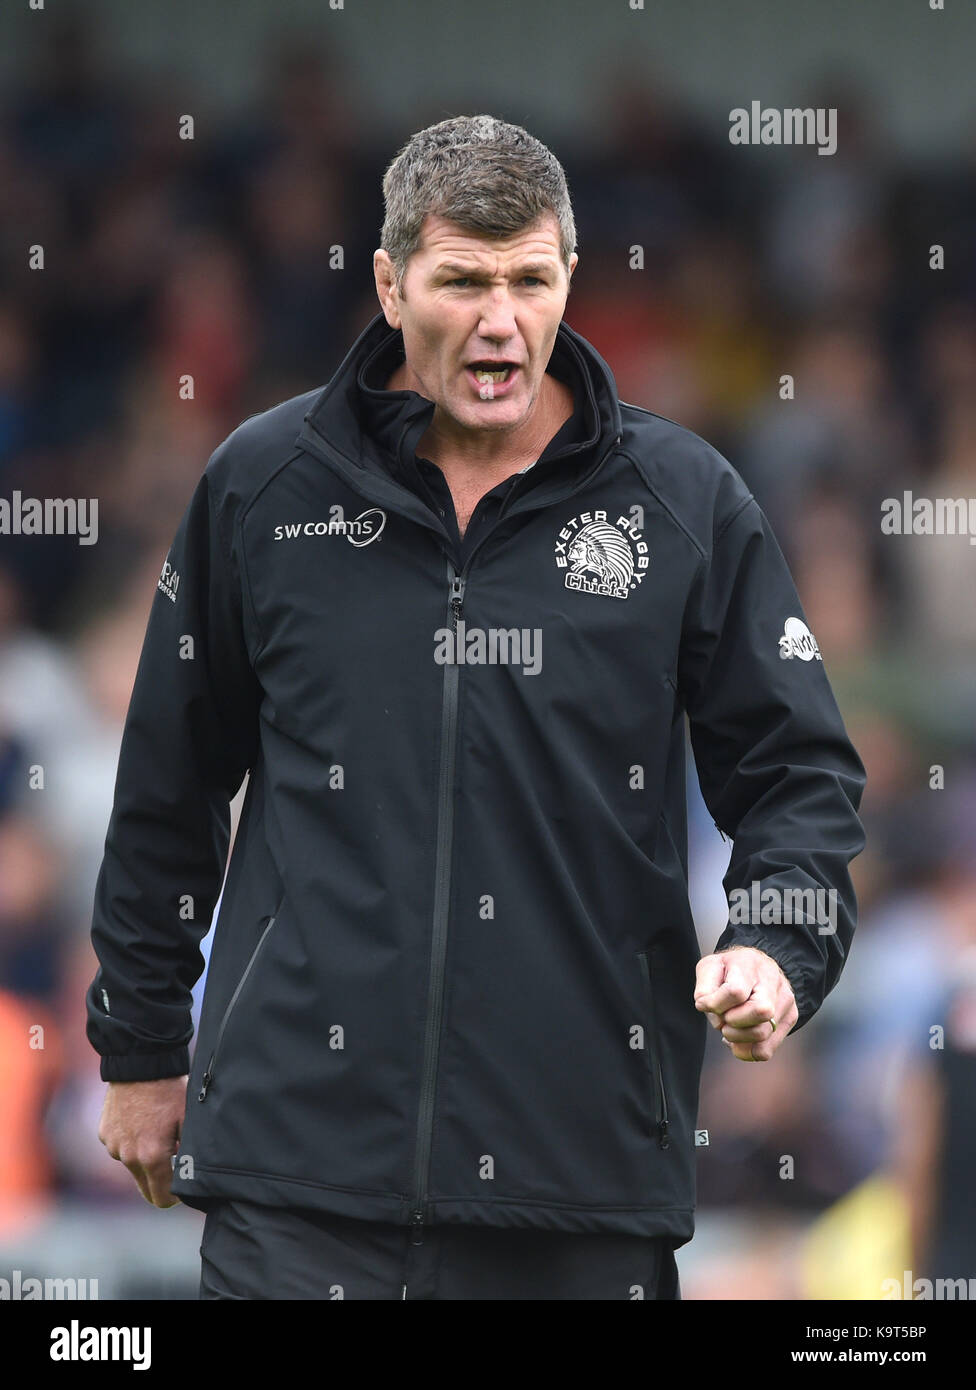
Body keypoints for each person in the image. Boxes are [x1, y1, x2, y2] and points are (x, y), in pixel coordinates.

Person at [87, 113, 866, 1301]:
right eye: (462, 281)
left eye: (530, 281)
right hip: (298, 1178)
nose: (502, 321)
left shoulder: (682, 501)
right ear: (391, 286)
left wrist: (776, 943)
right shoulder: (263, 483)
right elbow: (168, 783)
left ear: (568, 281)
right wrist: (139, 1050)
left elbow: (799, 776)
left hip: (578, 1180)